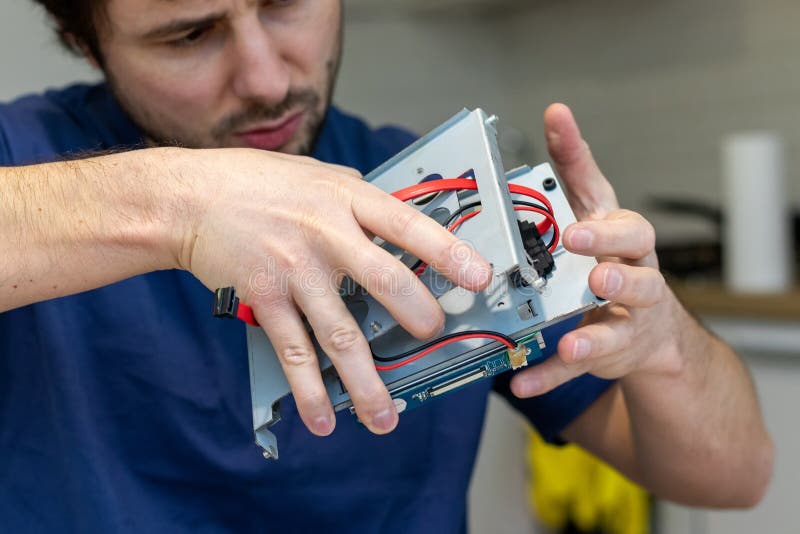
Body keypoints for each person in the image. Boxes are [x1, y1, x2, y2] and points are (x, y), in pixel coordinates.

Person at [0, 1, 773, 532]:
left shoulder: (432, 192)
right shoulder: (24, 160)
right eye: (188, 35)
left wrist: (663, 339)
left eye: (285, 3)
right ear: (86, 39)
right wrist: (180, 202)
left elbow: (737, 477)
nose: (267, 79)